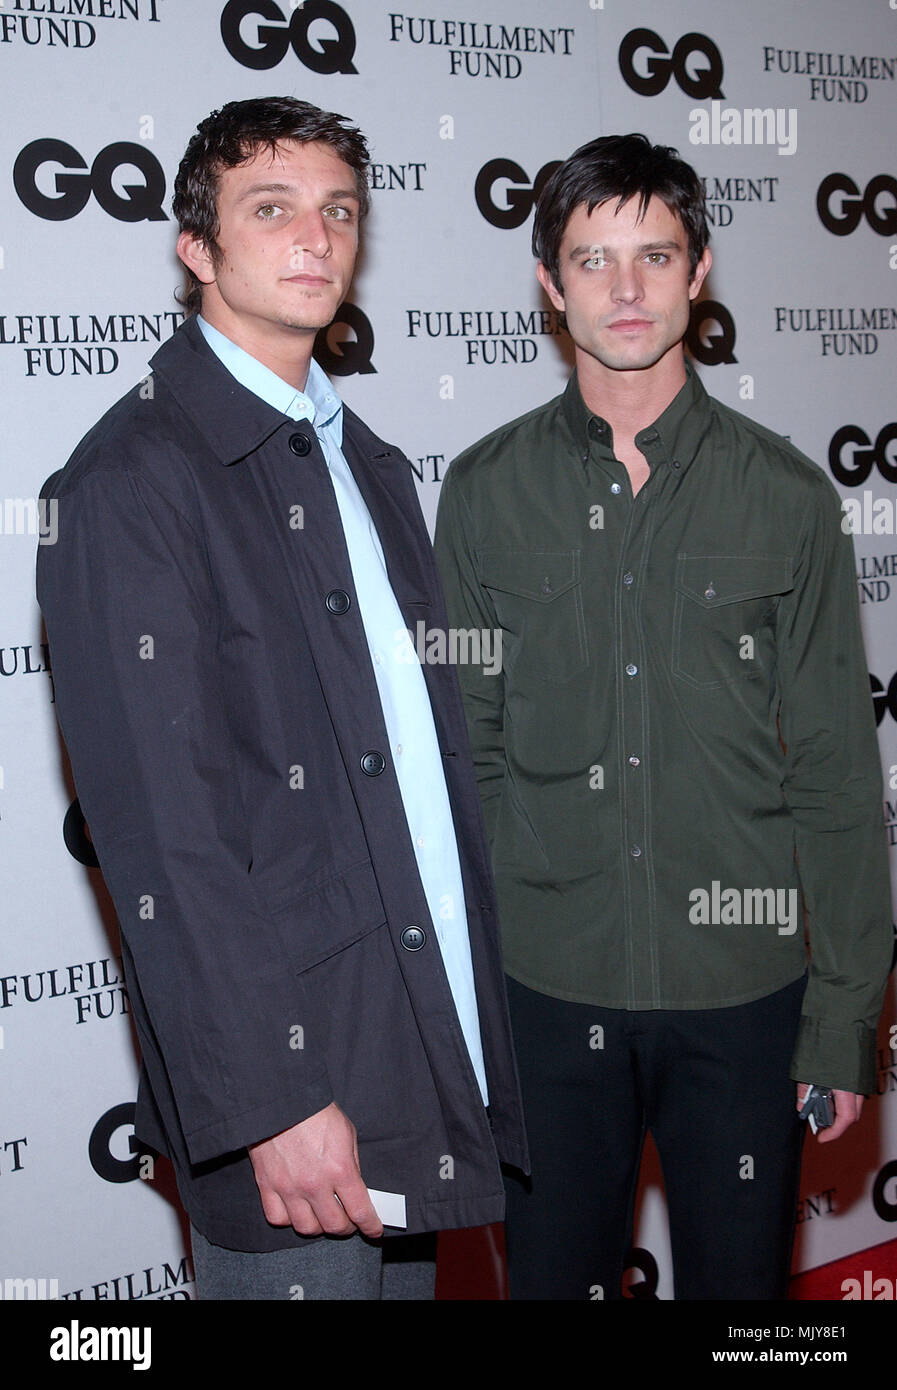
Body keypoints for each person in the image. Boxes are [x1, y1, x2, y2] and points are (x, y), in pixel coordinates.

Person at [37, 96, 527, 1301]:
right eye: (272, 210)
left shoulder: (367, 464)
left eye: (338, 211)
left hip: (410, 1046)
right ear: (196, 247)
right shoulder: (130, 479)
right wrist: (274, 1096)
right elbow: (162, 836)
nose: (315, 237)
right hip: (292, 1097)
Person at [433, 133, 893, 1301]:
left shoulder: (788, 498)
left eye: (655, 255)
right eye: (593, 259)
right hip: (545, 1000)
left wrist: (842, 1018)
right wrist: (472, 1001)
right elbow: (466, 759)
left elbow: (839, 775)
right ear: (549, 282)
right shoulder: (484, 490)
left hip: (744, 1004)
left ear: (700, 272)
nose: (625, 289)